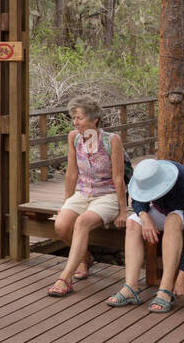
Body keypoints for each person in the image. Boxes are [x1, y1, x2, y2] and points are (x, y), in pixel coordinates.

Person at [106, 159, 184, 314]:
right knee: (133, 222)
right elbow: (137, 201)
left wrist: (182, 277)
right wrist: (144, 217)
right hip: (166, 210)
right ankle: (131, 287)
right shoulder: (143, 177)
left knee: (173, 220)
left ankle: (166, 289)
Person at [47, 94, 127, 297]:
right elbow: (71, 173)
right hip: (82, 192)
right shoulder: (74, 137)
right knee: (61, 225)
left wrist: (123, 210)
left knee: (82, 222)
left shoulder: (111, 140)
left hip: (107, 195)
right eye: (73, 118)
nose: (75, 122)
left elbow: (118, 178)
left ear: (94, 119)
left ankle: (65, 278)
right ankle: (85, 257)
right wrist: (66, 202)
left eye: (80, 118)